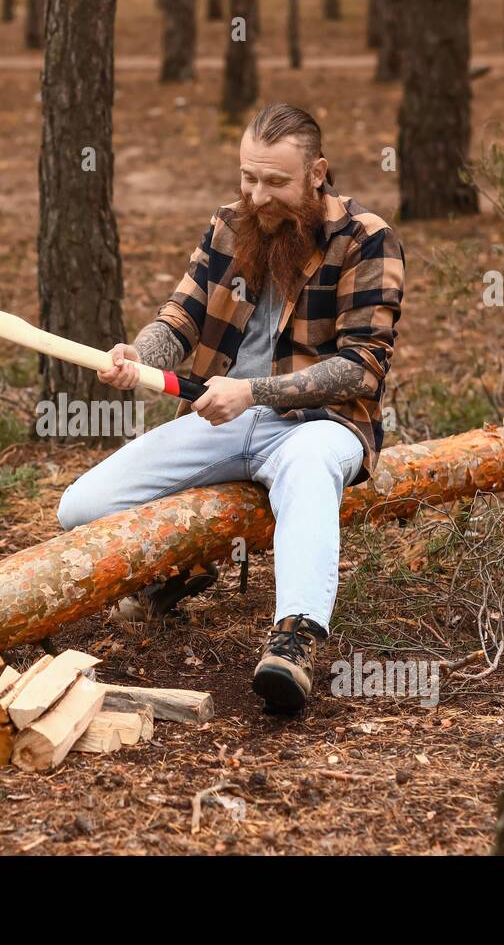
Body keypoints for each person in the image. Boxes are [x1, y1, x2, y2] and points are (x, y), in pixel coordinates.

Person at [58, 103, 404, 714]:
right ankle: (179, 569)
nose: (258, 195)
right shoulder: (228, 227)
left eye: (275, 182)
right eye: (248, 178)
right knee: (80, 508)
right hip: (226, 416)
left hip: (324, 424)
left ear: (317, 173)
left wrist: (256, 391)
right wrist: (136, 356)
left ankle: (294, 643)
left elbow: (361, 365)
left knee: (306, 465)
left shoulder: (366, 238)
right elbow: (179, 318)